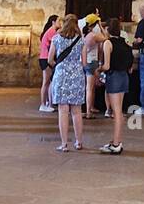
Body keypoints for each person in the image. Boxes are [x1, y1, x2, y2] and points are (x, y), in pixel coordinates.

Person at [48, 13, 87, 150]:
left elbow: (50, 59)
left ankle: (64, 144)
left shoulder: (56, 39)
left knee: (63, 111)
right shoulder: (81, 41)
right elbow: (84, 62)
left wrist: (59, 66)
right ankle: (79, 142)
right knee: (77, 111)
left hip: (61, 76)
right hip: (77, 76)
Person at [98, 17, 133, 154]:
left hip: (114, 77)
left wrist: (98, 70)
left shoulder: (108, 43)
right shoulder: (125, 43)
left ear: (108, 29)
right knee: (118, 111)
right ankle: (116, 140)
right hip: (124, 77)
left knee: (116, 112)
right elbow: (130, 66)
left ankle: (117, 144)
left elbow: (106, 66)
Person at [81, 13, 103, 119]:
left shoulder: (84, 34)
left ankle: (90, 107)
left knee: (90, 87)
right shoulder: (93, 36)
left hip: (86, 61)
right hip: (92, 61)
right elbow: (106, 37)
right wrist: (101, 26)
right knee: (90, 88)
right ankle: (88, 111)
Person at [38, 14, 59, 112]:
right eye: (59, 21)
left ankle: (48, 103)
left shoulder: (50, 31)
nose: (61, 23)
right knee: (46, 82)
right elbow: (57, 42)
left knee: (48, 82)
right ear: (53, 22)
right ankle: (43, 104)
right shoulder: (51, 32)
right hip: (45, 58)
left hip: (44, 58)